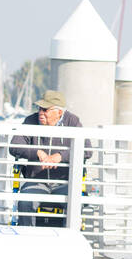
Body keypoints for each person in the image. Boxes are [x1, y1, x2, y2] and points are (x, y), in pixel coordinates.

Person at [8, 90, 83, 228]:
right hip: (36, 181)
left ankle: (68, 241)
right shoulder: (31, 120)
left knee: (76, 201)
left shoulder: (72, 121)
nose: (41, 113)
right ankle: (27, 239)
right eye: (39, 108)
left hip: (65, 182)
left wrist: (61, 156)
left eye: (45, 109)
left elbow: (87, 150)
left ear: (59, 112)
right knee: (25, 202)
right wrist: (37, 152)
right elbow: (14, 146)